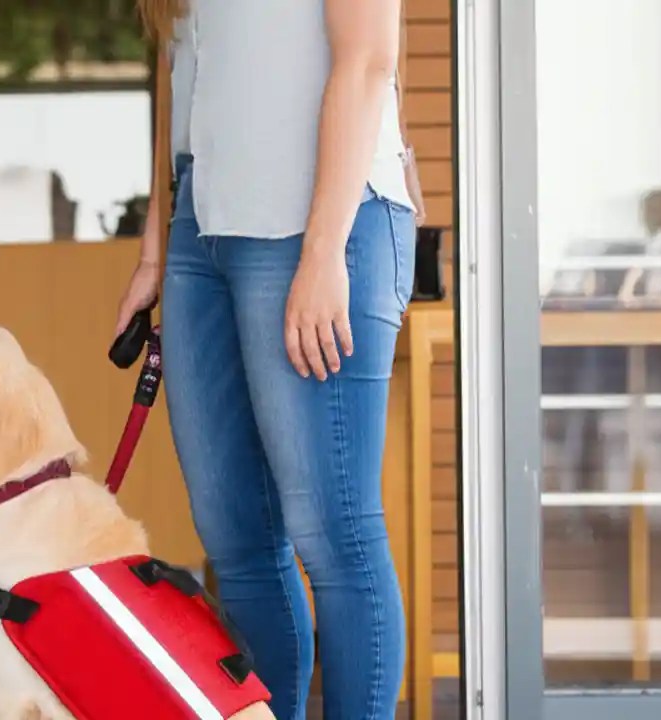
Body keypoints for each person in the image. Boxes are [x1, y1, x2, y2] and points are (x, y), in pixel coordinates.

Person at [114, 1, 423, 718]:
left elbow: (369, 58)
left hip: (314, 222)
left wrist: (322, 253)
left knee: (333, 533)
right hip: (203, 223)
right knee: (236, 540)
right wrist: (156, 249)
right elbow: (178, 70)